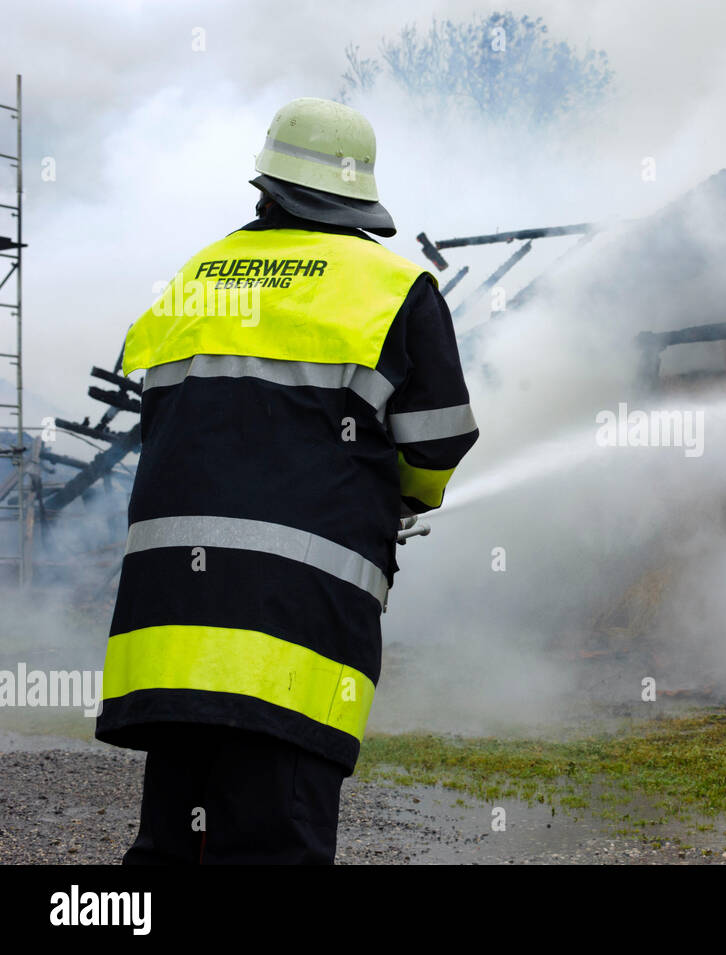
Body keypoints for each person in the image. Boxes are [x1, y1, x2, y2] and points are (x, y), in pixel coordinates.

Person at [94, 97, 478, 864]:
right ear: (360, 193)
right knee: (275, 844)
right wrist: (400, 498)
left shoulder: (194, 277)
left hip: (168, 628)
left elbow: (173, 428)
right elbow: (438, 442)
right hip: (291, 636)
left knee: (175, 844)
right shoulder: (393, 289)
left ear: (266, 183)